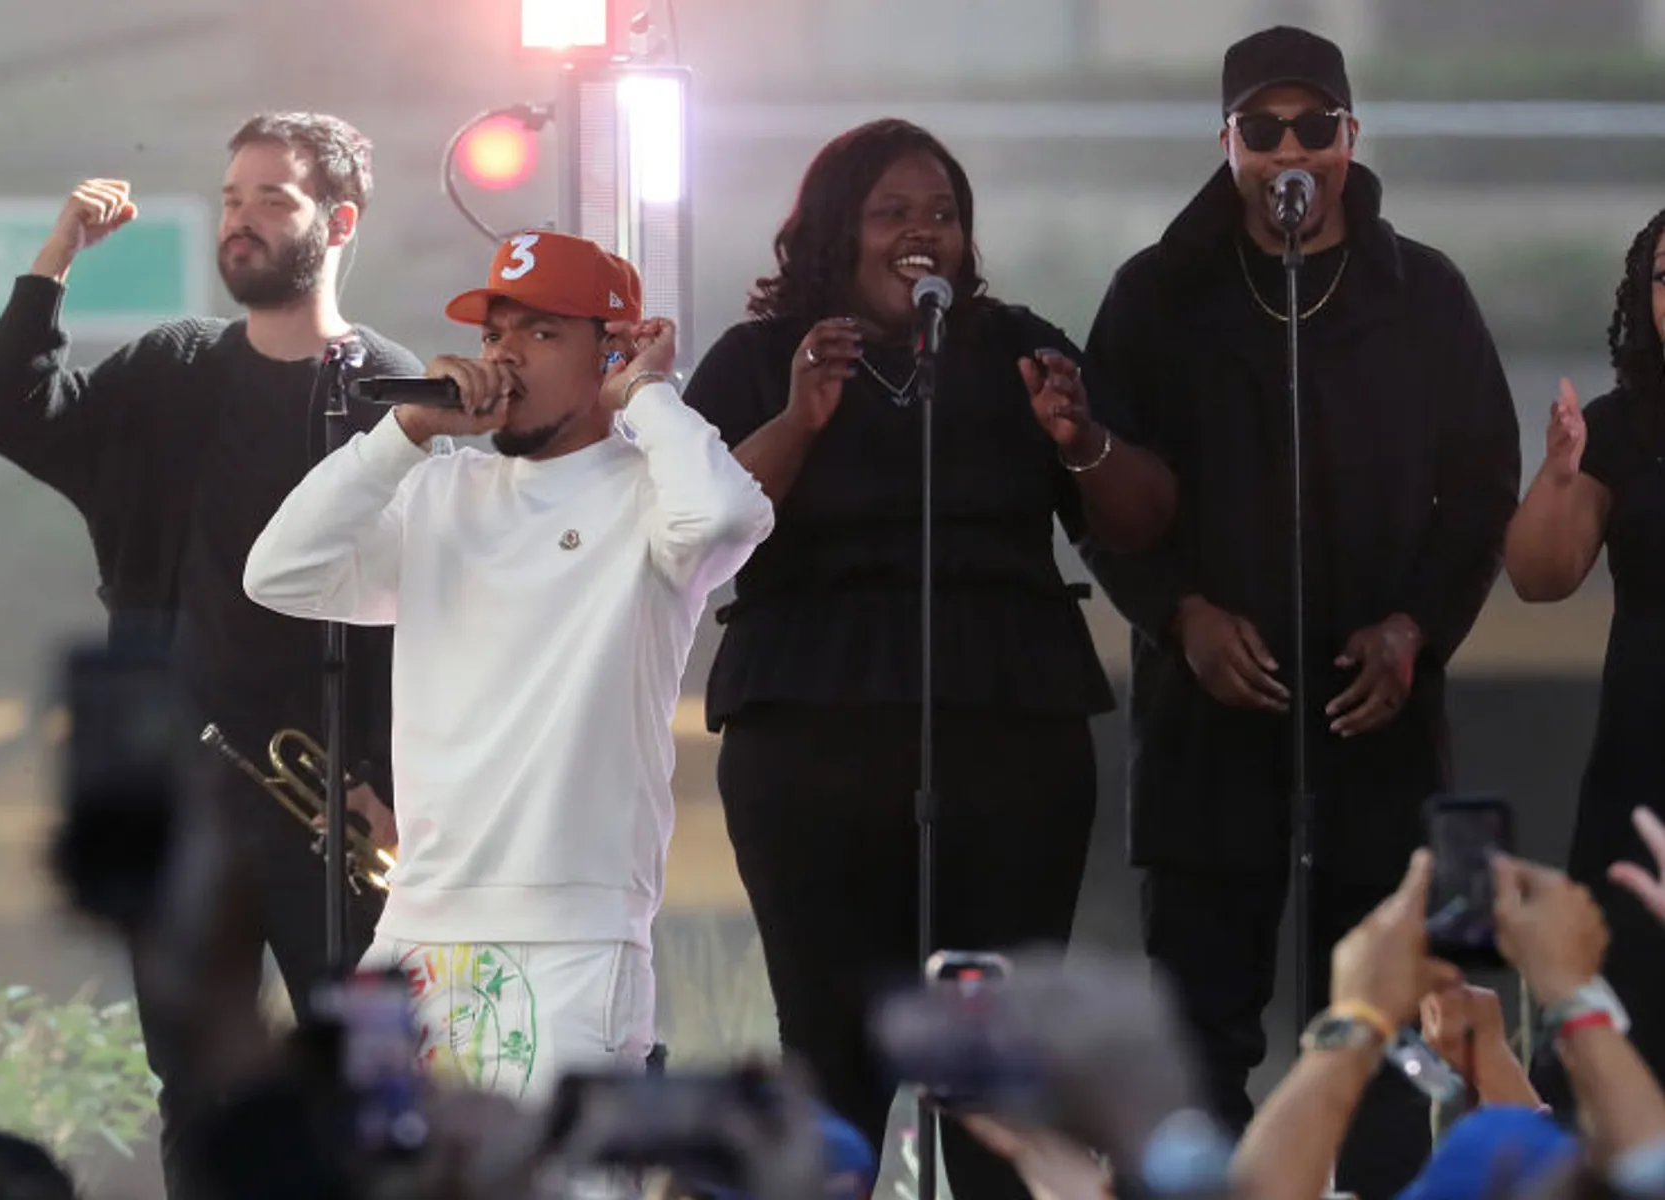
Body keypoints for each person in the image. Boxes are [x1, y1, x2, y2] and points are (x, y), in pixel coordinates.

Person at [678, 117, 1176, 1198]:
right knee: (832, 1050)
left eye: (942, 214)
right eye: (893, 213)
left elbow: (1142, 518)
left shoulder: (1019, 347)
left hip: (1008, 737)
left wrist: (1078, 440)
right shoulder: (764, 357)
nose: (924, 234)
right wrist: (803, 418)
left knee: (1000, 1065)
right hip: (812, 741)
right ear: (834, 232)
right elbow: (698, 531)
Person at [1077, 27, 1522, 1199]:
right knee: (1197, 1044)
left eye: (1314, 127)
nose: (1291, 149)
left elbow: (1482, 492)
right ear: (1226, 143)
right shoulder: (1154, 296)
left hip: (1377, 724)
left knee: (1388, 1035)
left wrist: (1416, 628)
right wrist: (1180, 615)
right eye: (1263, 129)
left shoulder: (1422, 292)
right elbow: (1098, 499)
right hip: (1207, 723)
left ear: (1349, 140)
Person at [0, 111, 420, 1198]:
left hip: (336, 804)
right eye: (231, 198)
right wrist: (55, 258)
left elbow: (436, 610)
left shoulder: (393, 393)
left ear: (338, 222)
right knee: (196, 1090)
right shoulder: (171, 369)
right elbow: (4, 407)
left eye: (274, 199)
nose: (243, 220)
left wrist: (401, 782)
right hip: (175, 799)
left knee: (358, 1086)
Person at [242, 229, 774, 1100]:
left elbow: (724, 518)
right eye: (496, 334)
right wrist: (406, 432)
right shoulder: (437, 491)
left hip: (572, 939)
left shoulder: (651, 495)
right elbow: (279, 574)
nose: (504, 356)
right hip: (415, 929)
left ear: (610, 350)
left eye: (540, 333)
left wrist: (646, 394)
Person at [1502, 206, 1665, 1084]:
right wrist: (1559, 475)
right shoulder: (1626, 423)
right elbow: (1539, 576)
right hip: (1644, 760)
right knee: (1623, 1019)